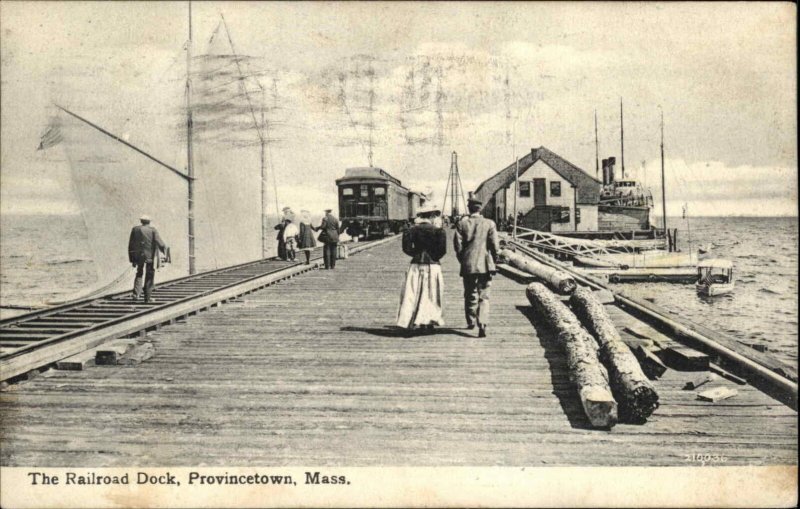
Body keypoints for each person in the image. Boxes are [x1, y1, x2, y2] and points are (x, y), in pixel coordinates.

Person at [396, 204, 447, 332]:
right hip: (433, 265)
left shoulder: (412, 230)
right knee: (431, 293)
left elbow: (406, 248)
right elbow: (442, 250)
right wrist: (433, 257)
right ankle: (428, 320)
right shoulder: (438, 231)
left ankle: (413, 319)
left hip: (416, 264)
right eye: (434, 215)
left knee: (413, 293)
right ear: (431, 216)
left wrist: (416, 254)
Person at [453, 198, 500, 338]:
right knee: (484, 295)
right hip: (485, 265)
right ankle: (483, 324)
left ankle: (471, 320)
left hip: (468, 264)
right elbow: (495, 246)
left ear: (469, 208)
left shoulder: (462, 223)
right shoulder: (489, 223)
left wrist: (463, 259)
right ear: (480, 209)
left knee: (469, 292)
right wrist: (495, 261)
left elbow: (457, 245)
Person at [128, 214, 167, 303]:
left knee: (139, 273)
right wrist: (165, 253)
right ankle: (147, 298)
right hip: (149, 256)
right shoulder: (152, 230)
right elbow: (160, 243)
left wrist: (132, 259)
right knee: (149, 274)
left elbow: (131, 245)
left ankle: (136, 294)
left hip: (138, 256)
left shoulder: (135, 229)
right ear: (149, 222)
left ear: (141, 221)